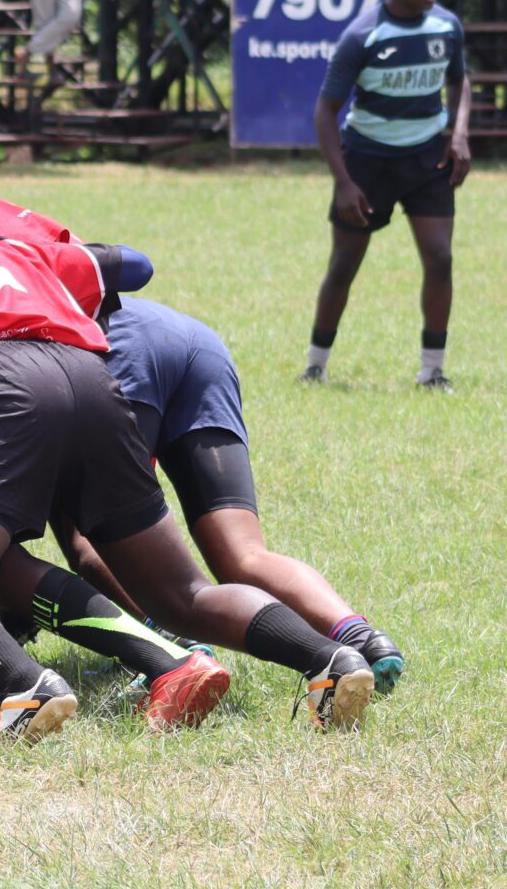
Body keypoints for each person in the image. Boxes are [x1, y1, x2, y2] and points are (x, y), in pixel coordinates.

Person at [0, 236, 376, 742]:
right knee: (183, 593)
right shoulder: (21, 251)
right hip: (93, 378)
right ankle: (329, 658)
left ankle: (29, 685)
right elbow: (135, 266)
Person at [56, 296, 405, 691]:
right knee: (243, 553)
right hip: (196, 344)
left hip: (117, 356)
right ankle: (362, 638)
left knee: (88, 539)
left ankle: (173, 645)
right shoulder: (39, 257)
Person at [305, 0, 470, 389]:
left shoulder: (446, 27)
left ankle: (432, 370)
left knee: (440, 258)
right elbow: (325, 111)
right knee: (345, 264)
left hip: (427, 159)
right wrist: (343, 182)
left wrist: (457, 134)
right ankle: (316, 363)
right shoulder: (362, 36)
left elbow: (460, 80)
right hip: (368, 162)